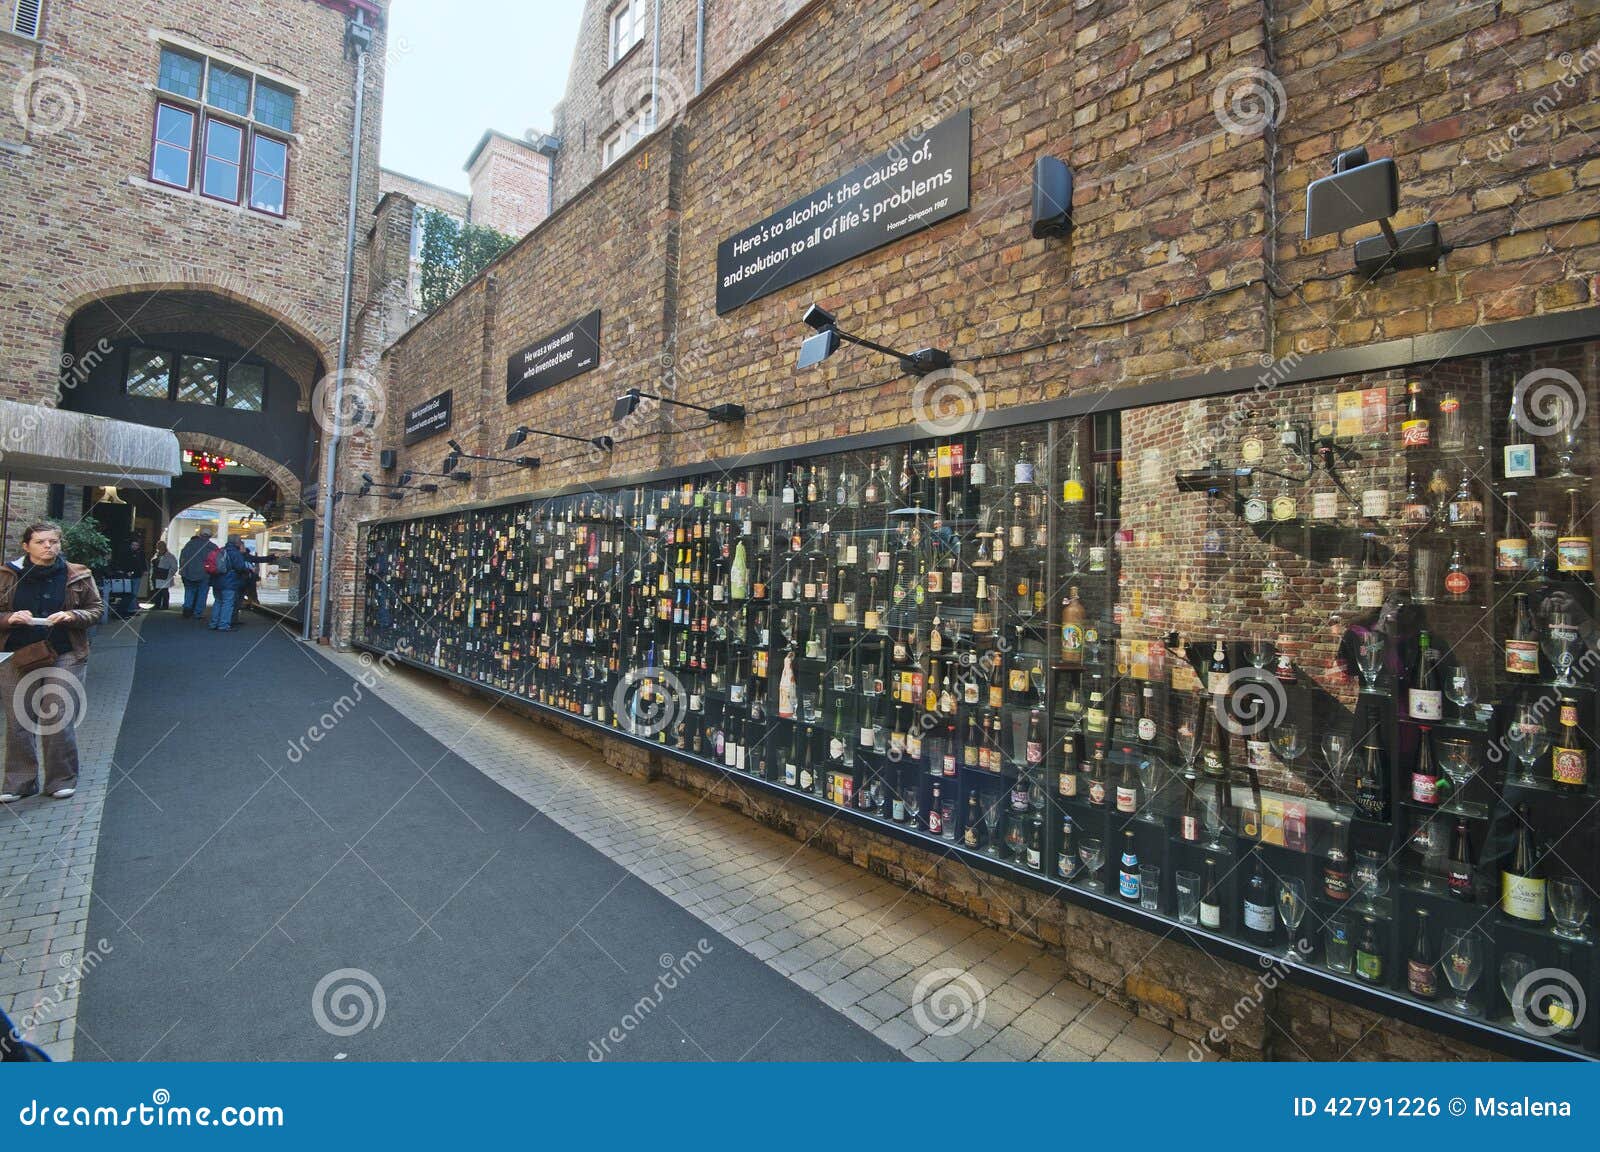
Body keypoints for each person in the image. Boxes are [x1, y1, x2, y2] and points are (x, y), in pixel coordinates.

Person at [0, 521, 103, 803]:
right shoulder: (7, 574)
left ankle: (60, 780)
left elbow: (96, 609)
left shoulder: (77, 574)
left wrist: (73, 616)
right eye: (41, 542)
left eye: (54, 542)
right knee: (18, 717)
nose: (49, 547)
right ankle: (19, 782)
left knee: (57, 714)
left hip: (65, 650)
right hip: (16, 652)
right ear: (26, 546)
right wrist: (9, 618)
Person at [209, 534, 251, 632]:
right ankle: (223, 624)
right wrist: (247, 570)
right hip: (230, 582)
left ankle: (213, 623)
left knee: (218, 602)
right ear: (237, 542)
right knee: (228, 603)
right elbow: (240, 567)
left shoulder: (221, 550)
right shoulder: (235, 553)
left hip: (217, 581)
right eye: (240, 541)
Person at [178, 529, 215, 618]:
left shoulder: (189, 544)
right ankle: (198, 613)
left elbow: (182, 558)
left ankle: (187, 608)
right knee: (202, 594)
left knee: (189, 591)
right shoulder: (211, 547)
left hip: (188, 573)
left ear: (199, 534)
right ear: (209, 536)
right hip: (204, 574)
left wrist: (183, 569)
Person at [149, 541, 177, 610]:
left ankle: (165, 605)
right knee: (157, 591)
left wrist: (169, 573)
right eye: (158, 546)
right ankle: (157, 605)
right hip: (156, 575)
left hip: (165, 576)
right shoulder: (156, 555)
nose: (159, 547)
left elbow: (174, 567)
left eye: (161, 546)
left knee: (164, 591)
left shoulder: (170, 556)